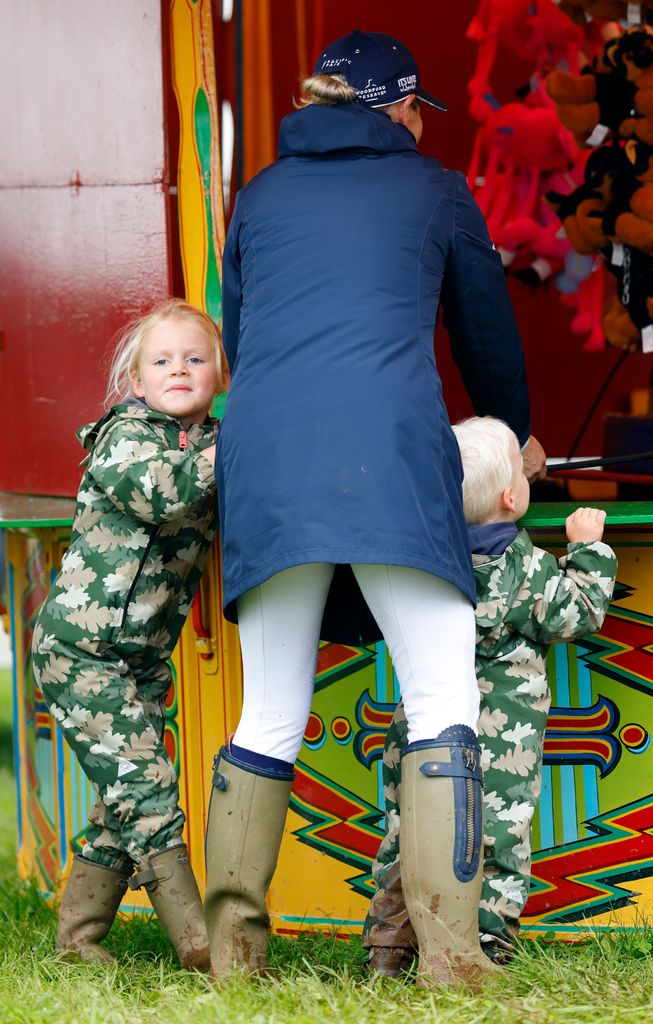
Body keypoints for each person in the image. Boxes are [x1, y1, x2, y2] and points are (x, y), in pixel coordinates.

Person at [206, 30, 546, 987]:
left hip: (266, 455)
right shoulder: (434, 188)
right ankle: (450, 962)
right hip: (390, 457)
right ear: (397, 107)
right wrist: (510, 433)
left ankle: (236, 961)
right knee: (443, 698)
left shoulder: (261, 192)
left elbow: (242, 334)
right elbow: (485, 329)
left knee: (267, 707)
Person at [362, 416, 618, 975]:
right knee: (497, 833)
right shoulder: (522, 567)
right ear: (511, 496)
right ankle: (487, 945)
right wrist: (588, 548)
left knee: (410, 828)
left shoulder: (425, 556)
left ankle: (389, 947)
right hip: (505, 734)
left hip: (421, 728)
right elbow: (578, 612)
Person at [32, 299, 229, 970]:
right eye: (162, 360)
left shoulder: (210, 444)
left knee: (124, 801)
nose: (180, 369)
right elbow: (160, 495)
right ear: (138, 382)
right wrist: (241, 445)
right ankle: (202, 949)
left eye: (196, 358)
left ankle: (79, 943)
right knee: (144, 791)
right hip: (79, 652)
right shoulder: (129, 436)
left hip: (137, 660)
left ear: (220, 374)